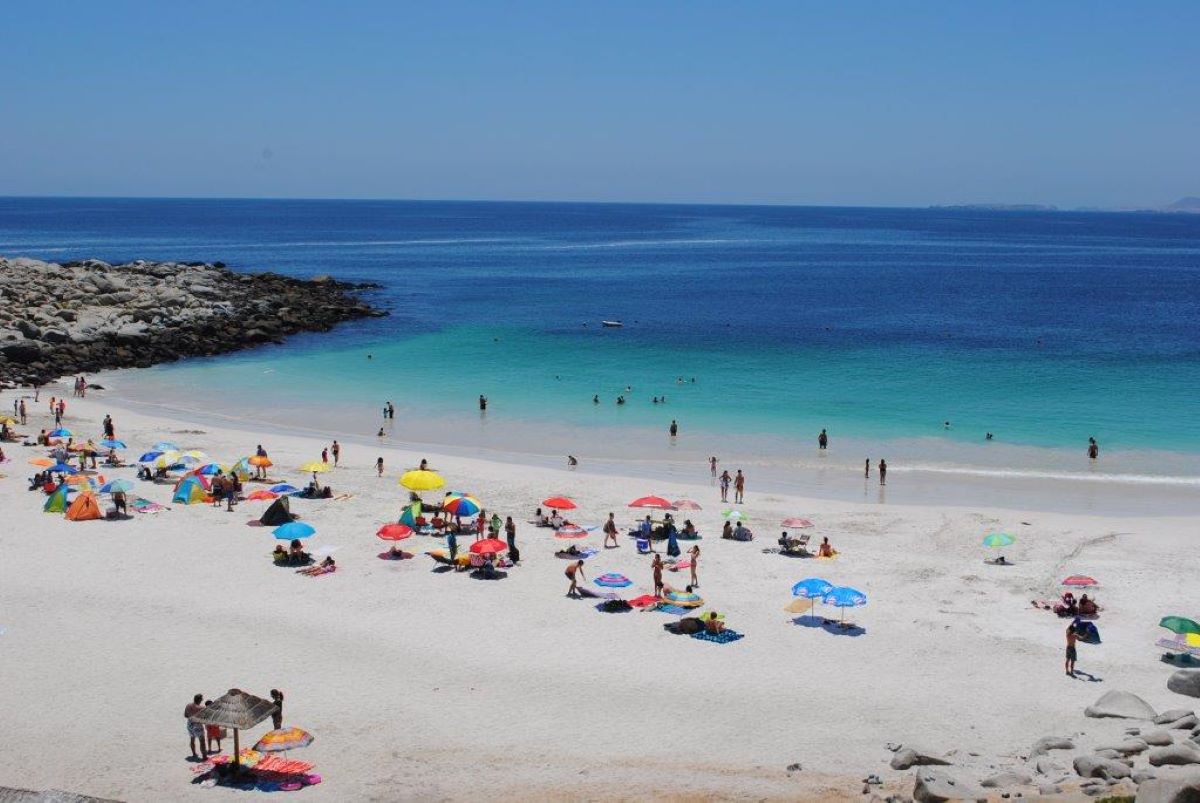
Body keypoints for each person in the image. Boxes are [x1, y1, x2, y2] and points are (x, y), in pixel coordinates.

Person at [184, 693, 207, 760]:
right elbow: (204, 718)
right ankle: (204, 756)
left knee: (192, 739)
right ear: (200, 700)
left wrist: (191, 716)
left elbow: (185, 715)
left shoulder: (188, 705)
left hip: (190, 724)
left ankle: (194, 754)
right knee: (202, 741)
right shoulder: (202, 708)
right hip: (197, 725)